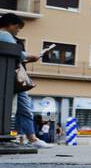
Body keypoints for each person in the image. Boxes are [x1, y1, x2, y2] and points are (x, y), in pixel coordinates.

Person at [0, 14, 52, 149]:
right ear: (10, 24)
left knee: (22, 110)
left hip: (10, 78)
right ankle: (25, 138)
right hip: (12, 79)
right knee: (17, 110)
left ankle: (25, 137)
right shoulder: (4, 35)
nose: (18, 31)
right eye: (18, 27)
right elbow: (17, 53)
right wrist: (32, 56)